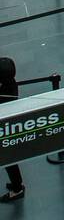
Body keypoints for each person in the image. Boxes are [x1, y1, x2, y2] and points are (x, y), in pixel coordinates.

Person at [0, 57, 24, 202]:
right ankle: (17, 184)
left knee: (8, 160)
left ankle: (17, 189)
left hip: (4, 129)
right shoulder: (10, 84)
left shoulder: (4, 94)